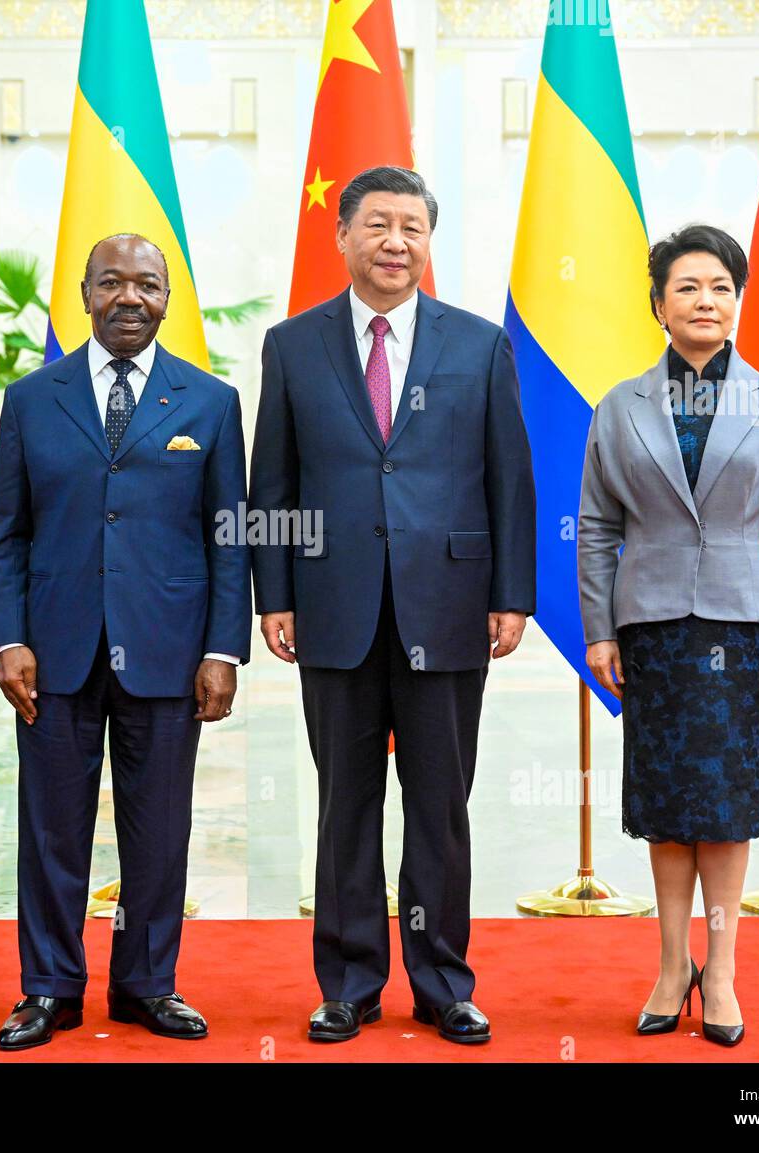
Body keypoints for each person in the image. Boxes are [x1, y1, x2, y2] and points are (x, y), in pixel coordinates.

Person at [249, 166, 536, 1044]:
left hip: (447, 606)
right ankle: (348, 981)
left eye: (413, 227)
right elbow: (276, 477)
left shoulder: (478, 344)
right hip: (332, 605)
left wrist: (510, 594)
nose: (396, 243)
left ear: (428, 241)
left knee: (441, 804)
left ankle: (444, 979)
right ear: (343, 235)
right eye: (378, 225)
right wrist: (276, 592)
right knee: (345, 803)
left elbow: (509, 478)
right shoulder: (293, 345)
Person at [0, 233, 251, 1049]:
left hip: (170, 651)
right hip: (55, 651)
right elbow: (6, 533)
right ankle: (49, 988)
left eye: (147, 284)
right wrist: (8, 638)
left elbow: (229, 536)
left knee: (158, 829)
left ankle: (146, 983)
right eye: (112, 282)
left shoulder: (208, 401)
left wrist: (222, 649)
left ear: (168, 296)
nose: (129, 297)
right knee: (50, 827)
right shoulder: (32, 399)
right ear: (85, 292)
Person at [578, 224, 759, 1047]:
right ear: (658, 304)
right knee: (668, 810)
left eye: (719, 286)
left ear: (737, 299)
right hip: (651, 631)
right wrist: (599, 628)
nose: (705, 300)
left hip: (743, 627)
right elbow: (597, 526)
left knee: (724, 812)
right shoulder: (620, 406)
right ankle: (669, 963)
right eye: (687, 287)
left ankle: (720, 972)